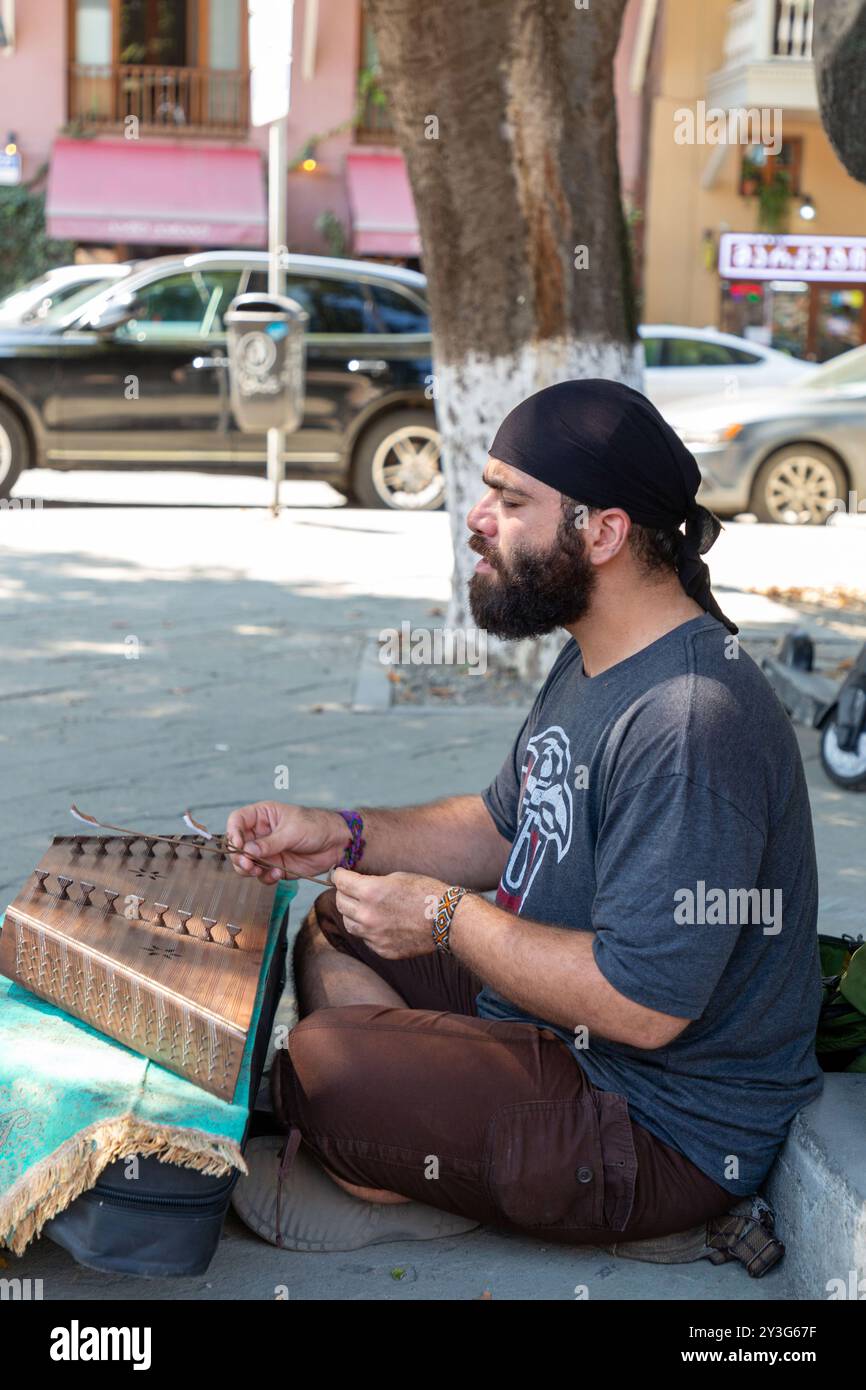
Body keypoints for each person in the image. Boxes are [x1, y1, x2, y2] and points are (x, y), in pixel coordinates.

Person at [228, 379, 823, 1253]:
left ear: (604, 532)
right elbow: (507, 826)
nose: (477, 518)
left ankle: (412, 1147)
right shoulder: (597, 655)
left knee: (322, 1064)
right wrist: (342, 833)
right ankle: (414, 1141)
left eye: (510, 500)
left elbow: (641, 1005)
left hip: (653, 1127)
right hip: (549, 1025)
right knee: (337, 920)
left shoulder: (692, 716)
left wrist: (440, 916)